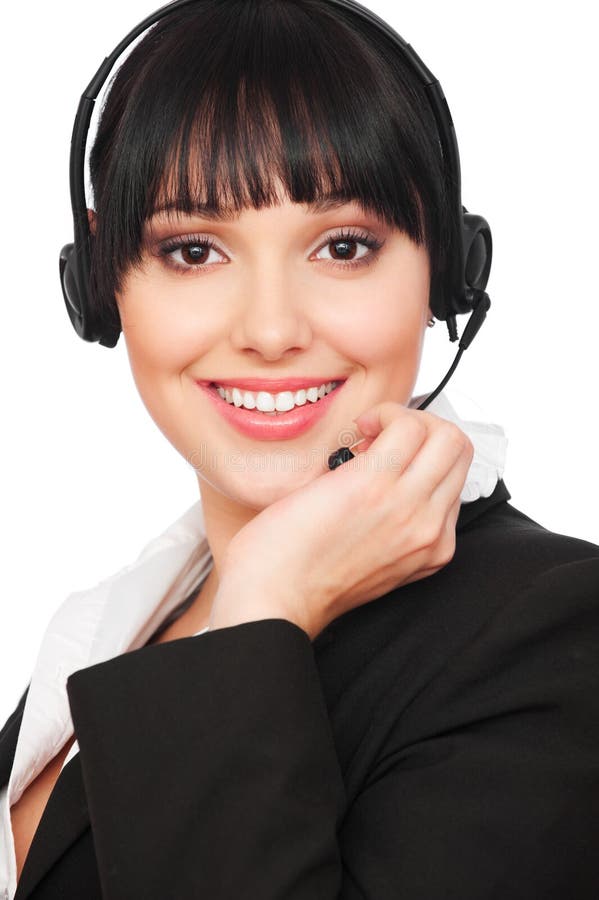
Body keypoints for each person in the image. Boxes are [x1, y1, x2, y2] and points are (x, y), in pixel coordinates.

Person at [1, 0, 599, 897]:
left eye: (343, 246)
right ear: (99, 282)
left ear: (444, 271)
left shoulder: (552, 634)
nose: (272, 330)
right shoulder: (127, 614)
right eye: (194, 251)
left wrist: (266, 611)